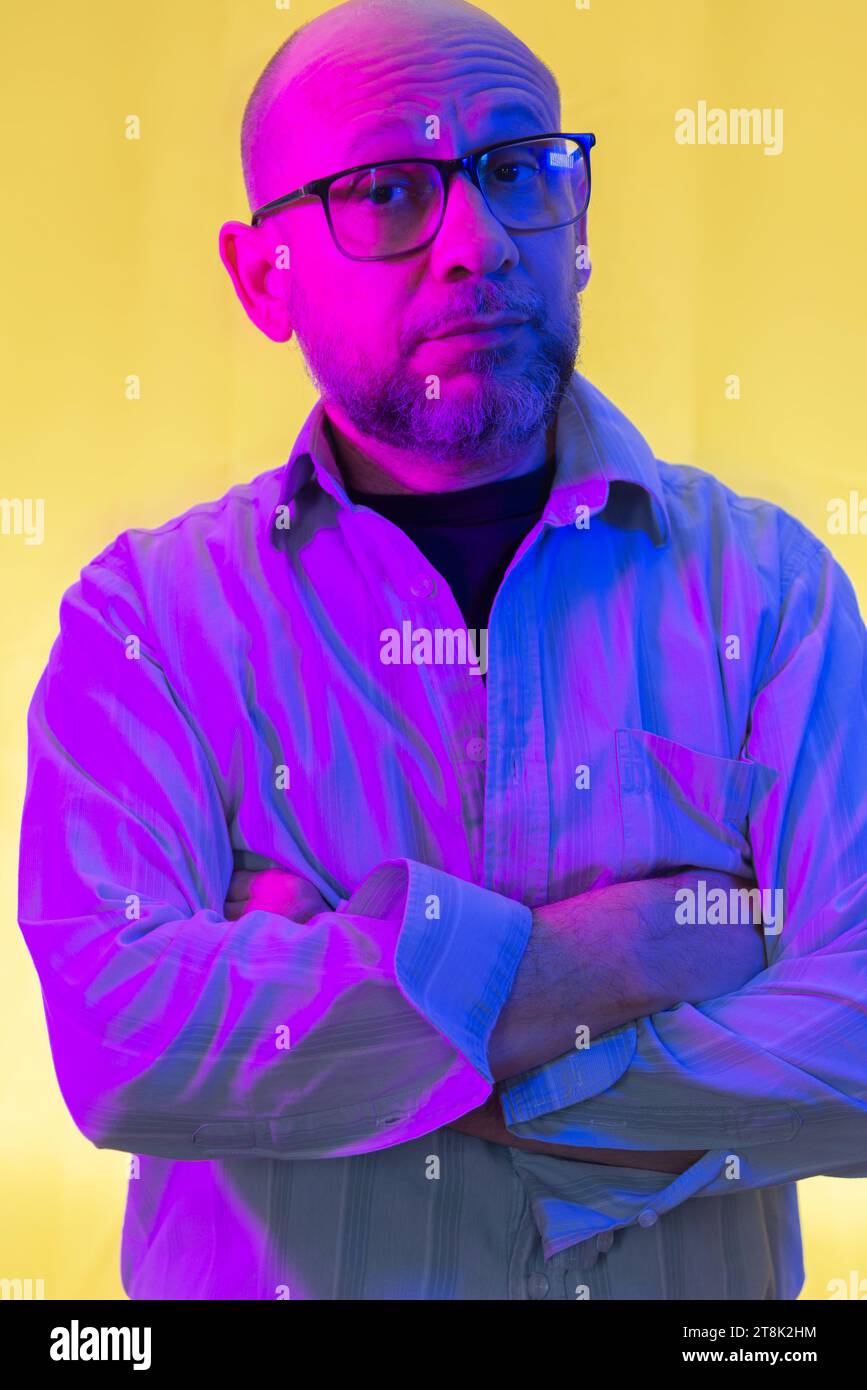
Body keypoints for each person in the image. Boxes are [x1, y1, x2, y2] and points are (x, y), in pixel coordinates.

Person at [18, 0, 867, 1301]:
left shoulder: (772, 591)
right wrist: (644, 952)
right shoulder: (148, 625)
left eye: (520, 171)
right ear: (262, 278)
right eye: (387, 192)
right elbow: (127, 1043)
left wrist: (388, 1031)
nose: (477, 243)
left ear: (578, 221)